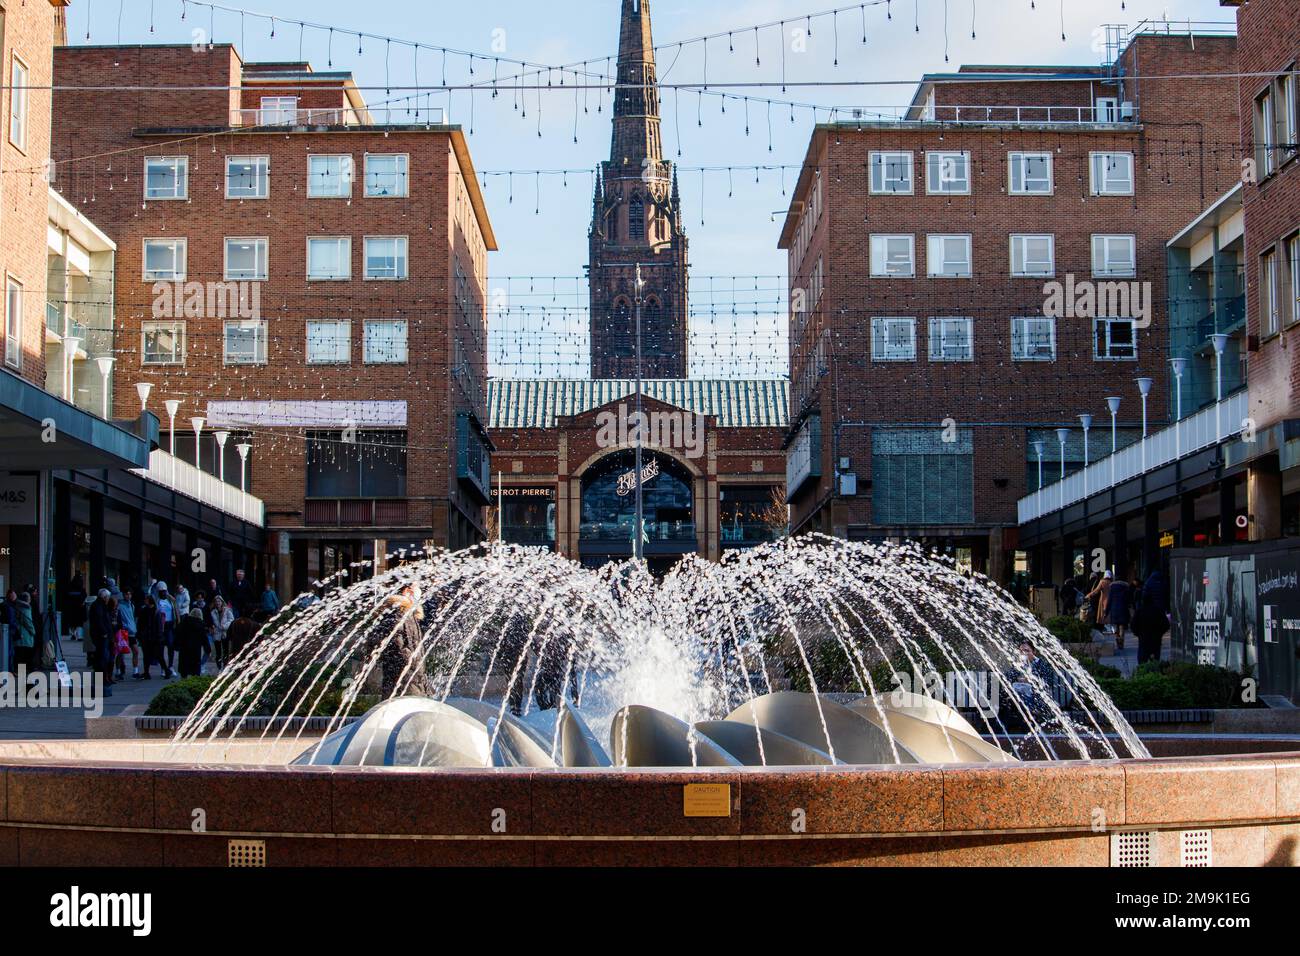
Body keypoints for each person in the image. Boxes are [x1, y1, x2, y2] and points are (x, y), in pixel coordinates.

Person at [87, 588, 118, 696]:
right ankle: (101, 679)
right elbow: (99, 620)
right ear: (104, 597)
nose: (108, 599)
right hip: (101, 636)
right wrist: (104, 632)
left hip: (104, 635)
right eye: (107, 597)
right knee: (102, 658)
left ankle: (104, 678)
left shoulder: (101, 606)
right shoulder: (98, 606)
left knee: (104, 658)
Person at [175, 608, 210, 678]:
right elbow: (204, 638)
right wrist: (207, 648)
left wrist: (176, 644)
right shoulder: (201, 624)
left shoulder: (184, 622)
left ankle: (183, 680)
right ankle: (194, 681)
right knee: (195, 667)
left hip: (184, 648)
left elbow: (178, 633)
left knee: (184, 666)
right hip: (195, 649)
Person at [135, 592, 162, 680]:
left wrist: (159, 635)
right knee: (146, 655)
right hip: (146, 636)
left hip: (153, 636)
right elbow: (140, 623)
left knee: (158, 654)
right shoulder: (144, 610)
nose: (145, 601)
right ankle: (146, 672)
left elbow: (158, 625)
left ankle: (166, 669)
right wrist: (139, 634)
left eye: (146, 599)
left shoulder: (156, 611)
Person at [1107, 572, 1134, 651]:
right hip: (1123, 609)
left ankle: (1117, 638)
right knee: (1122, 626)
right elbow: (1129, 599)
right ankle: (1121, 641)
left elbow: (1109, 600)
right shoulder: (1126, 587)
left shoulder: (1112, 587)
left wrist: (1106, 611)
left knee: (1116, 627)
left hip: (1114, 609)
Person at [12, 591, 36, 678]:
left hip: (19, 634)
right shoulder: (26, 608)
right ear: (27, 599)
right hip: (25, 636)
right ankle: (24, 671)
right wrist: (33, 631)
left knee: (19, 654)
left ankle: (18, 671)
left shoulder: (17, 606)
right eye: (29, 598)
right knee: (26, 654)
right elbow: (28, 621)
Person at [156, 584, 177, 679]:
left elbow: (175, 610)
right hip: (160, 627)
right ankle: (163, 667)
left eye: (165, 591)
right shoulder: (156, 601)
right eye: (162, 591)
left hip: (169, 625)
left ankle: (170, 666)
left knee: (170, 645)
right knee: (160, 648)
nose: (164, 593)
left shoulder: (170, 600)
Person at [118, 588, 139, 679]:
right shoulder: (119, 605)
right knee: (120, 653)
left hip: (131, 632)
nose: (128, 596)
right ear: (123, 594)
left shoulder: (132, 605)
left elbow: (132, 617)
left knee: (136, 651)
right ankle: (119, 671)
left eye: (130, 594)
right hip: (123, 631)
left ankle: (135, 671)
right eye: (127, 594)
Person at [208, 595, 234, 669]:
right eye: (216, 602)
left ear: (222, 602)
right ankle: (219, 667)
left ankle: (225, 666)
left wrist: (225, 626)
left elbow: (231, 619)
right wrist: (212, 627)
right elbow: (211, 622)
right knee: (218, 652)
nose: (218, 603)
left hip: (225, 632)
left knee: (226, 651)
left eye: (219, 601)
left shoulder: (227, 610)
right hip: (217, 633)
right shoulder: (212, 612)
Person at [64, 572, 86, 643]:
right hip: (79, 608)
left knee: (72, 622)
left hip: (71, 607)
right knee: (79, 622)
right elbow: (84, 597)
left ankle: (73, 634)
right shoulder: (81, 588)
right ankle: (79, 636)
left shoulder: (70, 587)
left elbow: (66, 597)